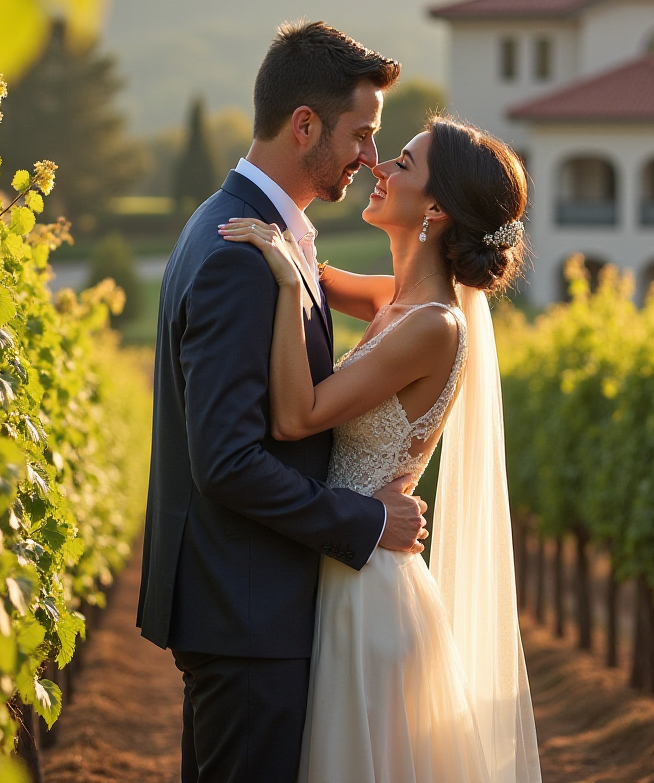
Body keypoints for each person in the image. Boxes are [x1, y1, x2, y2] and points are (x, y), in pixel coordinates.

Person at [137, 20, 428, 783]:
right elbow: (228, 461)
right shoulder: (243, 253)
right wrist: (367, 521)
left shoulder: (249, 229)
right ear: (305, 126)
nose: (370, 157)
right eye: (362, 134)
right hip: (249, 613)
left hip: (244, 607)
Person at [220, 115, 543, 783]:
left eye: (402, 162)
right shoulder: (400, 301)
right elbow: (318, 268)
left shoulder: (433, 325)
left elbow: (297, 415)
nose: (380, 168)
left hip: (369, 593)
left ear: (436, 208)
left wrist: (284, 284)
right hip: (348, 567)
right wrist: (286, 225)